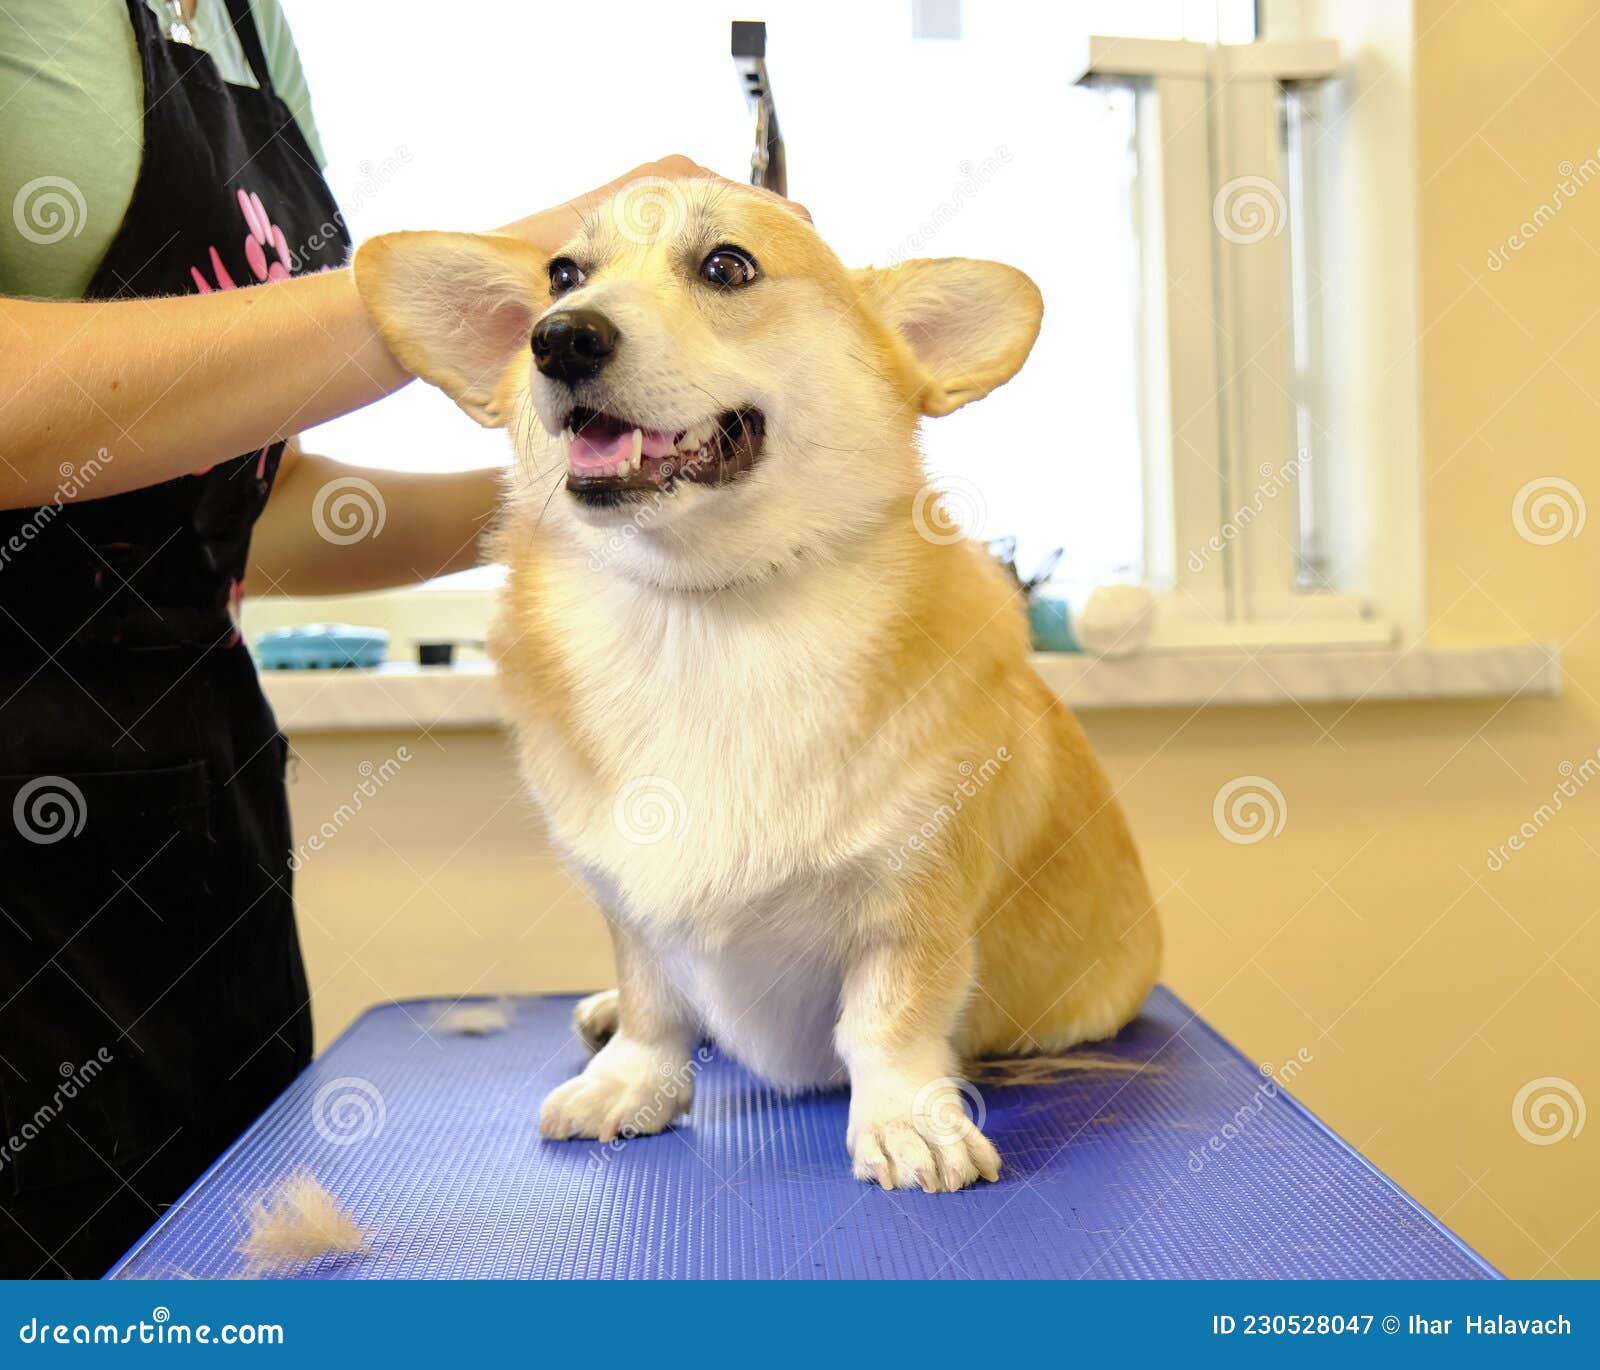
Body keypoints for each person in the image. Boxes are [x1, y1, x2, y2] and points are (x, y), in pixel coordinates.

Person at [0, 0, 787, 1278]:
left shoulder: (248, 31)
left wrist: (601, 495)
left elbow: (236, 507)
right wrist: (475, 284)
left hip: (193, 817)